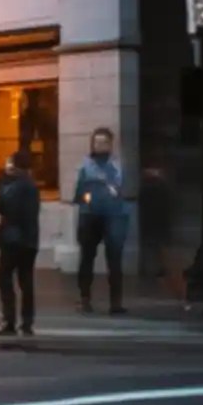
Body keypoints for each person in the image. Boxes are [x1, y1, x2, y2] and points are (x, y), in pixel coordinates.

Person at [73, 127, 129, 315]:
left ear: (111, 144)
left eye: (104, 142)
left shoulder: (117, 166)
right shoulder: (86, 165)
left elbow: (122, 189)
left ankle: (116, 302)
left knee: (114, 260)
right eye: (97, 142)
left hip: (113, 215)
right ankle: (84, 298)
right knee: (87, 258)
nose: (100, 145)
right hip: (90, 215)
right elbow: (79, 192)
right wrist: (87, 199)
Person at [0, 151, 41, 337]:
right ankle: (27, 322)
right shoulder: (31, 185)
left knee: (5, 279)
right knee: (26, 282)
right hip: (29, 240)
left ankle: (9, 320)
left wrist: (3, 183)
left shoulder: (11, 185)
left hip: (12, 238)